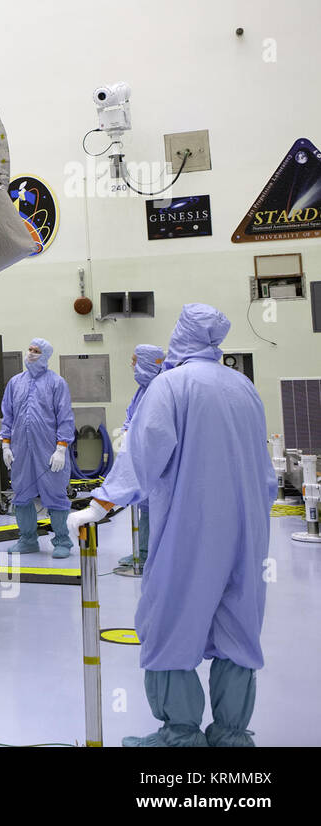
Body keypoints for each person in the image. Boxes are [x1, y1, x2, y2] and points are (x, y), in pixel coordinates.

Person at [71, 305, 275, 747]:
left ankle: (180, 735)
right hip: (249, 529)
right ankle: (231, 736)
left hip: (191, 528)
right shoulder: (243, 386)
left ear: (182, 334)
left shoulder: (172, 385)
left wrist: (101, 502)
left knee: (170, 623)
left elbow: (143, 455)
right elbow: (264, 469)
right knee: (238, 628)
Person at [0, 338, 74, 558]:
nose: (31, 353)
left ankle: (62, 541)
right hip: (21, 450)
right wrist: (6, 445)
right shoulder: (15, 382)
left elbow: (65, 418)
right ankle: (28, 540)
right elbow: (8, 416)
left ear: (46, 356)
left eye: (37, 351)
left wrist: (61, 448)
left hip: (49, 449)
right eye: (30, 349)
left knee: (55, 493)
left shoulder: (56, 383)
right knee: (21, 493)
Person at [112, 344, 165, 572]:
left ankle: (159, 555)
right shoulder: (143, 389)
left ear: (146, 362)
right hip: (142, 459)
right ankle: (144, 552)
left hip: (159, 462)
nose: (132, 366)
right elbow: (132, 417)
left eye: (135, 361)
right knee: (146, 507)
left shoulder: (163, 389)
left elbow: (158, 427)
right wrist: (126, 433)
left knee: (160, 507)